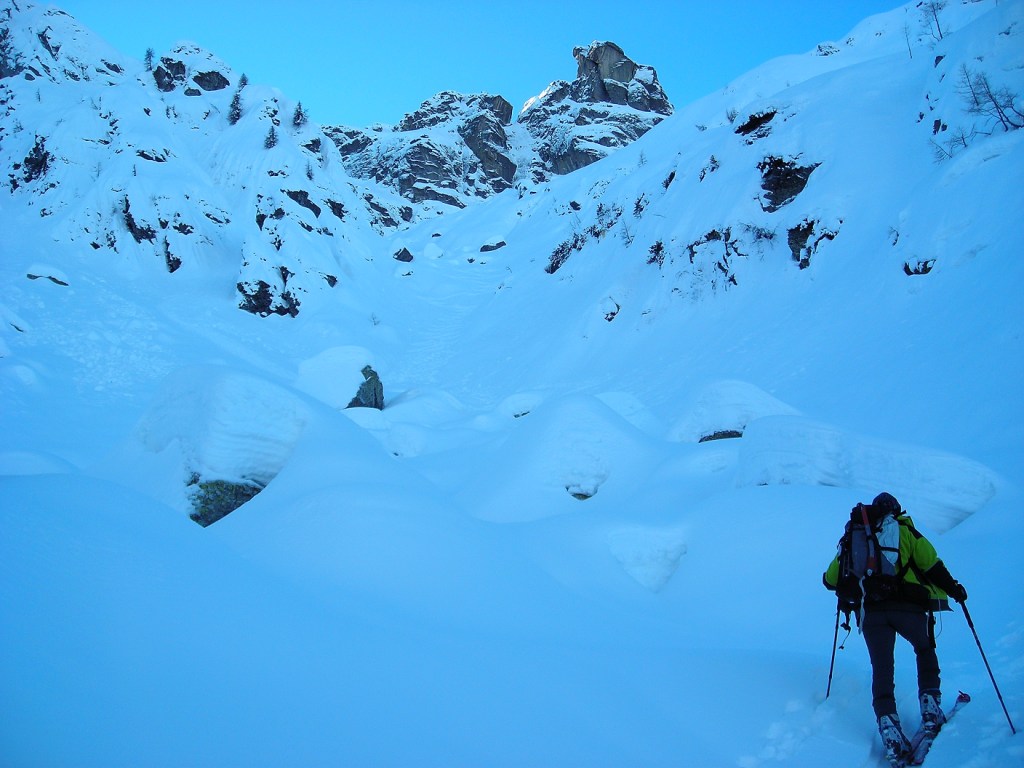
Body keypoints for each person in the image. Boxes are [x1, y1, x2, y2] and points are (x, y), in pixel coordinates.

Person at [823, 492, 968, 764]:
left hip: (872, 615)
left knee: (882, 668)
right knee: (924, 649)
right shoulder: (905, 531)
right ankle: (929, 705)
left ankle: (889, 726)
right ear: (897, 510)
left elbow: (831, 580)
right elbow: (932, 565)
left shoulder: (854, 536)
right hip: (909, 608)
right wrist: (955, 590)